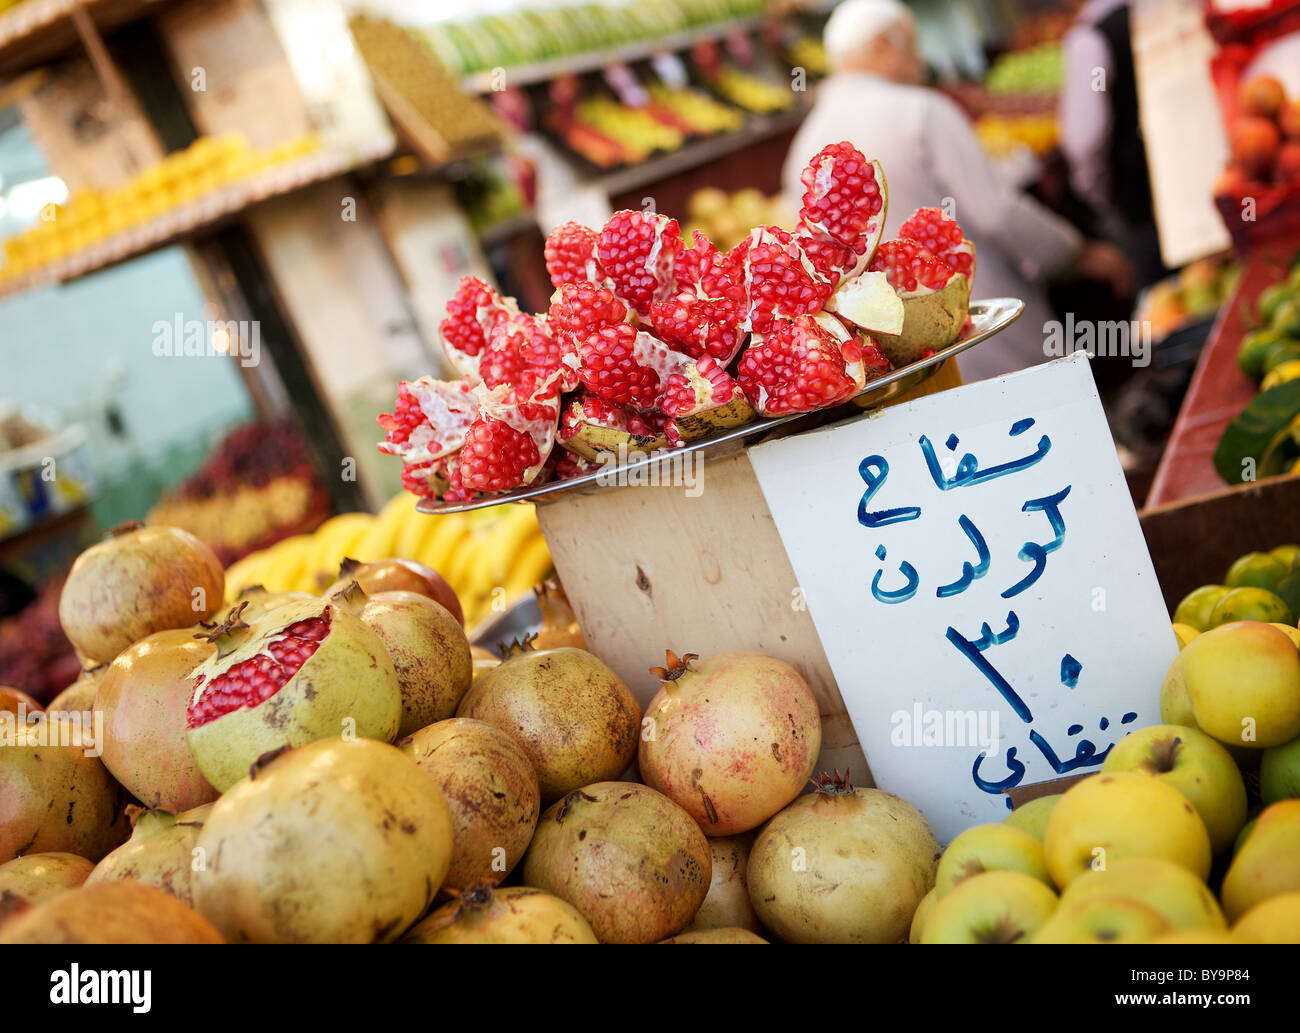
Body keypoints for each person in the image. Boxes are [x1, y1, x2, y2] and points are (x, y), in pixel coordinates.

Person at [782, 0, 1132, 383]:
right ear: (881, 45)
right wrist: (1076, 253)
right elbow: (998, 212)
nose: (920, 60)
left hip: (892, 361)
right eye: (911, 46)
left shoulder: (803, 147)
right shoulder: (921, 110)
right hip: (984, 329)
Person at [1059, 0, 1164, 289]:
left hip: (1144, 204)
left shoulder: (1089, 39)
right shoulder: (1160, 9)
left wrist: (1099, 197)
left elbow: (1084, 139)